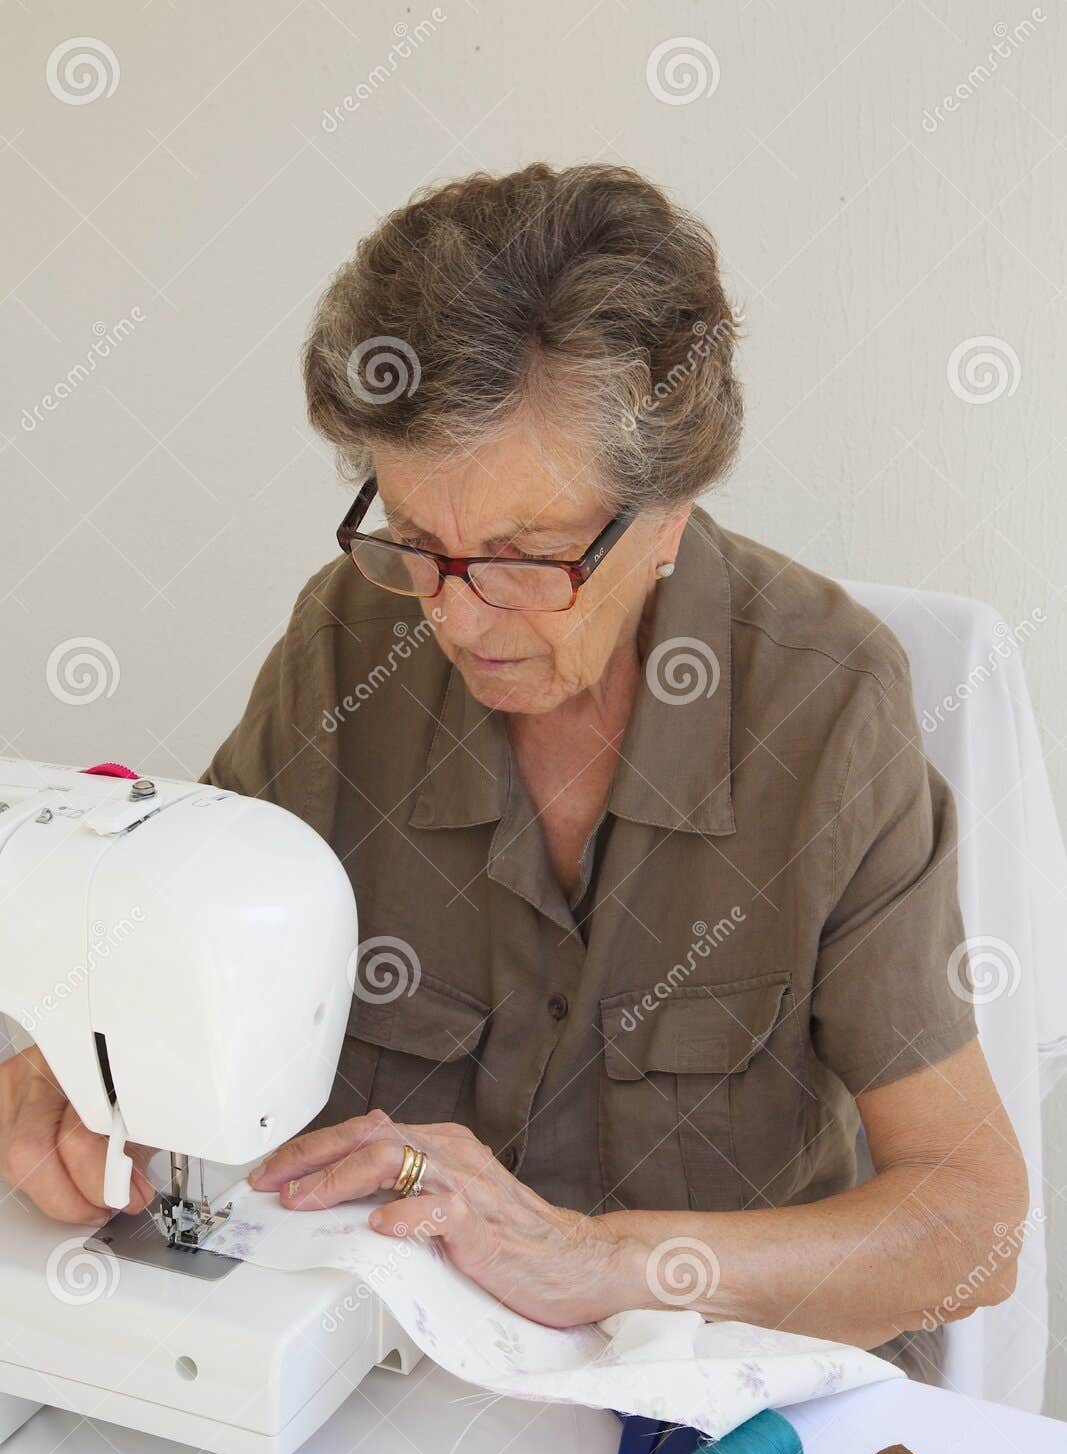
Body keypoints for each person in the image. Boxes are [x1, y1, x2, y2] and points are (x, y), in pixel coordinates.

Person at [0, 163, 1028, 1385]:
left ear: (669, 510)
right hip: (395, 1379)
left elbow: (970, 1227)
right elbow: (182, 964)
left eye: (524, 557)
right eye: (416, 541)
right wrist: (75, 1071)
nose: (456, 615)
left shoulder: (823, 707)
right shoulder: (349, 647)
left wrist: (596, 1256)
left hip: (716, 1392)